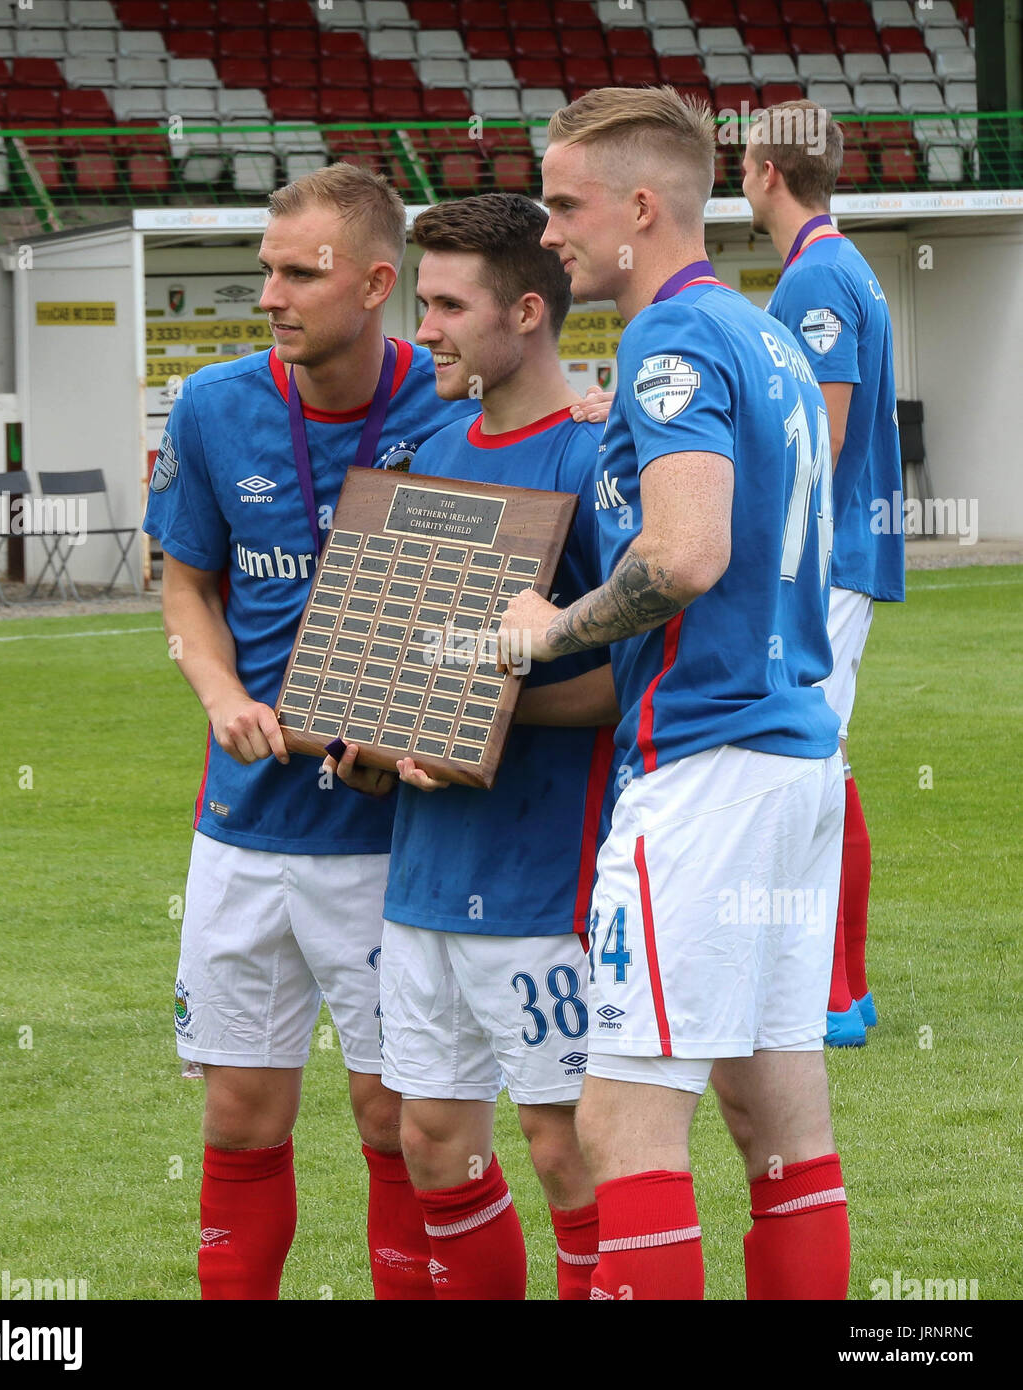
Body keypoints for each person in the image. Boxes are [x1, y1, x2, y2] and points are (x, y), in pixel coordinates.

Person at [500, 86, 850, 1300]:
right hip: (798, 758)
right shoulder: (763, 338)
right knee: (778, 1123)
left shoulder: (674, 338)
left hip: (703, 767)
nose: (549, 231)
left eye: (564, 203)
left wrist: (548, 631)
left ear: (640, 208)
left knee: (623, 1133)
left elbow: (685, 555)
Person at [143, 163, 480, 1300]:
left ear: (377, 282)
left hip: (393, 838)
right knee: (239, 1116)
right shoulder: (213, 405)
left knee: (394, 1119)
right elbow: (186, 585)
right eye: (266, 271)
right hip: (243, 826)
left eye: (301, 272)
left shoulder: (453, 409)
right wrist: (221, 696)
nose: (273, 296)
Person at [327, 192, 619, 1300]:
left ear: (529, 310)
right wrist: (367, 733)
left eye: (447, 304)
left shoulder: (597, 456)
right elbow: (394, 651)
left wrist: (478, 726)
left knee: (564, 1144)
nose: (425, 328)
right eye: (421, 298)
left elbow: (625, 680)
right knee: (431, 1143)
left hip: (545, 872)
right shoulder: (429, 446)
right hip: (424, 870)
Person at [742, 100, 905, 1047]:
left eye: (747, 159)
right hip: (843, 553)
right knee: (820, 759)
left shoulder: (815, 280)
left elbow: (820, 441)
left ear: (768, 171)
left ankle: (837, 993)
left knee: (814, 760)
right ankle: (842, 987)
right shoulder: (836, 268)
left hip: (828, 558)